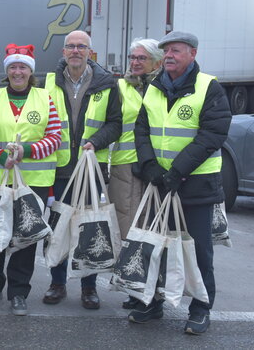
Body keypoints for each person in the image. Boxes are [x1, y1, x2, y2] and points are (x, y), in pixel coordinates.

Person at [128, 31, 231, 334]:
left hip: (195, 184)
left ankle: (200, 308)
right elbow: (141, 129)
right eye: (166, 51)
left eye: (176, 50)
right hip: (159, 182)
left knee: (198, 252)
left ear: (193, 54)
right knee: (156, 246)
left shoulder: (208, 87)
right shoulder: (155, 86)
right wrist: (149, 166)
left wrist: (178, 171)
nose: (169, 55)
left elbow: (212, 134)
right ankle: (153, 302)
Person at [0, 44, 61, 316]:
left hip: (34, 180)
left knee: (26, 237)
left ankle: (19, 292)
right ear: (6, 70)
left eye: (22, 67)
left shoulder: (45, 98)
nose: (17, 71)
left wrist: (29, 151)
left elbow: (55, 137)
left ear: (30, 71)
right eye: (13, 66)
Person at [43, 30, 121, 310]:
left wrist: (95, 142)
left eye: (81, 47)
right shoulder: (49, 83)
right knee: (59, 228)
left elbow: (115, 123)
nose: (75, 51)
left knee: (90, 229)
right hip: (59, 167)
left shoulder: (107, 84)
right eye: (70, 46)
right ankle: (57, 283)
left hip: (91, 169)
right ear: (63, 52)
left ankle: (89, 288)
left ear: (90, 52)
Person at [107, 38, 163, 310]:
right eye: (132, 57)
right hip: (125, 169)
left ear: (157, 61)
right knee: (128, 230)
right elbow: (112, 123)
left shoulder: (165, 87)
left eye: (142, 58)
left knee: (155, 229)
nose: (135, 62)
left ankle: (154, 291)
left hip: (156, 169)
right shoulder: (119, 87)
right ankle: (134, 287)